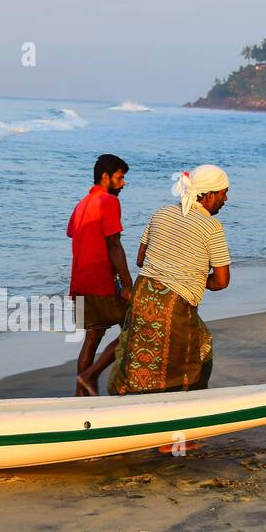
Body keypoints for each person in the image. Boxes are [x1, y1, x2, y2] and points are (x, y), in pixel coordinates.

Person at [80, 165, 232, 396]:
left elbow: (141, 258)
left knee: (133, 345)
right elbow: (221, 281)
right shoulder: (212, 228)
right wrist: (194, 276)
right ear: (210, 194)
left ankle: (101, 382)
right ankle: (188, 401)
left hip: (143, 295)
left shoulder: (161, 212)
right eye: (223, 192)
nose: (226, 199)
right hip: (174, 304)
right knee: (199, 348)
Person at [67, 154, 133, 395]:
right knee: (135, 328)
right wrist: (128, 284)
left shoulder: (82, 203)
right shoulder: (109, 202)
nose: (123, 183)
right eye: (120, 177)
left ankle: (80, 396)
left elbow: (73, 233)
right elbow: (114, 244)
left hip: (79, 283)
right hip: (102, 283)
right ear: (105, 177)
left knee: (91, 339)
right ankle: (91, 376)